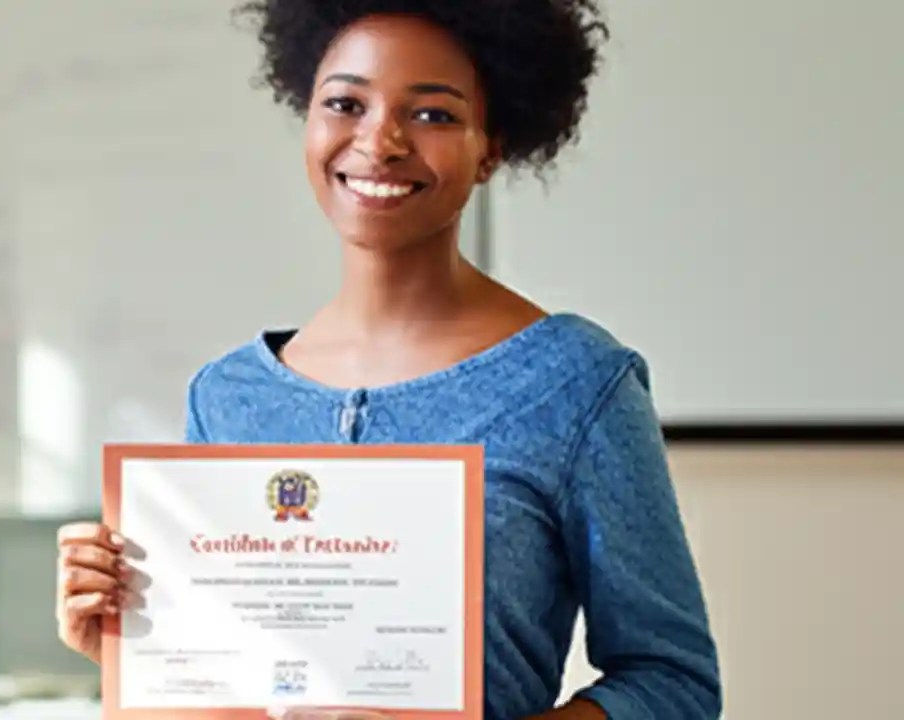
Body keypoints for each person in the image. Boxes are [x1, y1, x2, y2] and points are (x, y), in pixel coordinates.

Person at [56, 1, 722, 718]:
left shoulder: (577, 383)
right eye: (346, 104)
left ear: (491, 147)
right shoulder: (226, 398)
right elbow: (228, 690)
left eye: (434, 114)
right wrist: (136, 656)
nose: (380, 142)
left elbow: (672, 682)